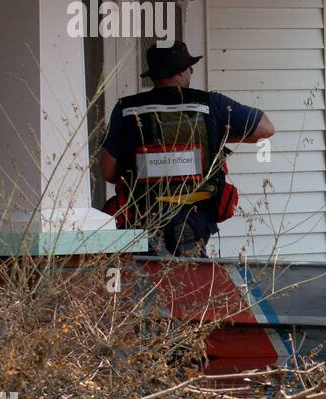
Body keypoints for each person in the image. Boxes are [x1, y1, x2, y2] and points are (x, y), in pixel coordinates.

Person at [98, 42, 275, 255]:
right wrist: (218, 135)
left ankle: (159, 244)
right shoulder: (211, 104)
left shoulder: (127, 109)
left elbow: (108, 172)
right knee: (191, 279)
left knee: (147, 276)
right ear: (181, 72)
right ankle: (185, 241)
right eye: (189, 67)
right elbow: (266, 128)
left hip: (143, 214)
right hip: (197, 213)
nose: (191, 71)